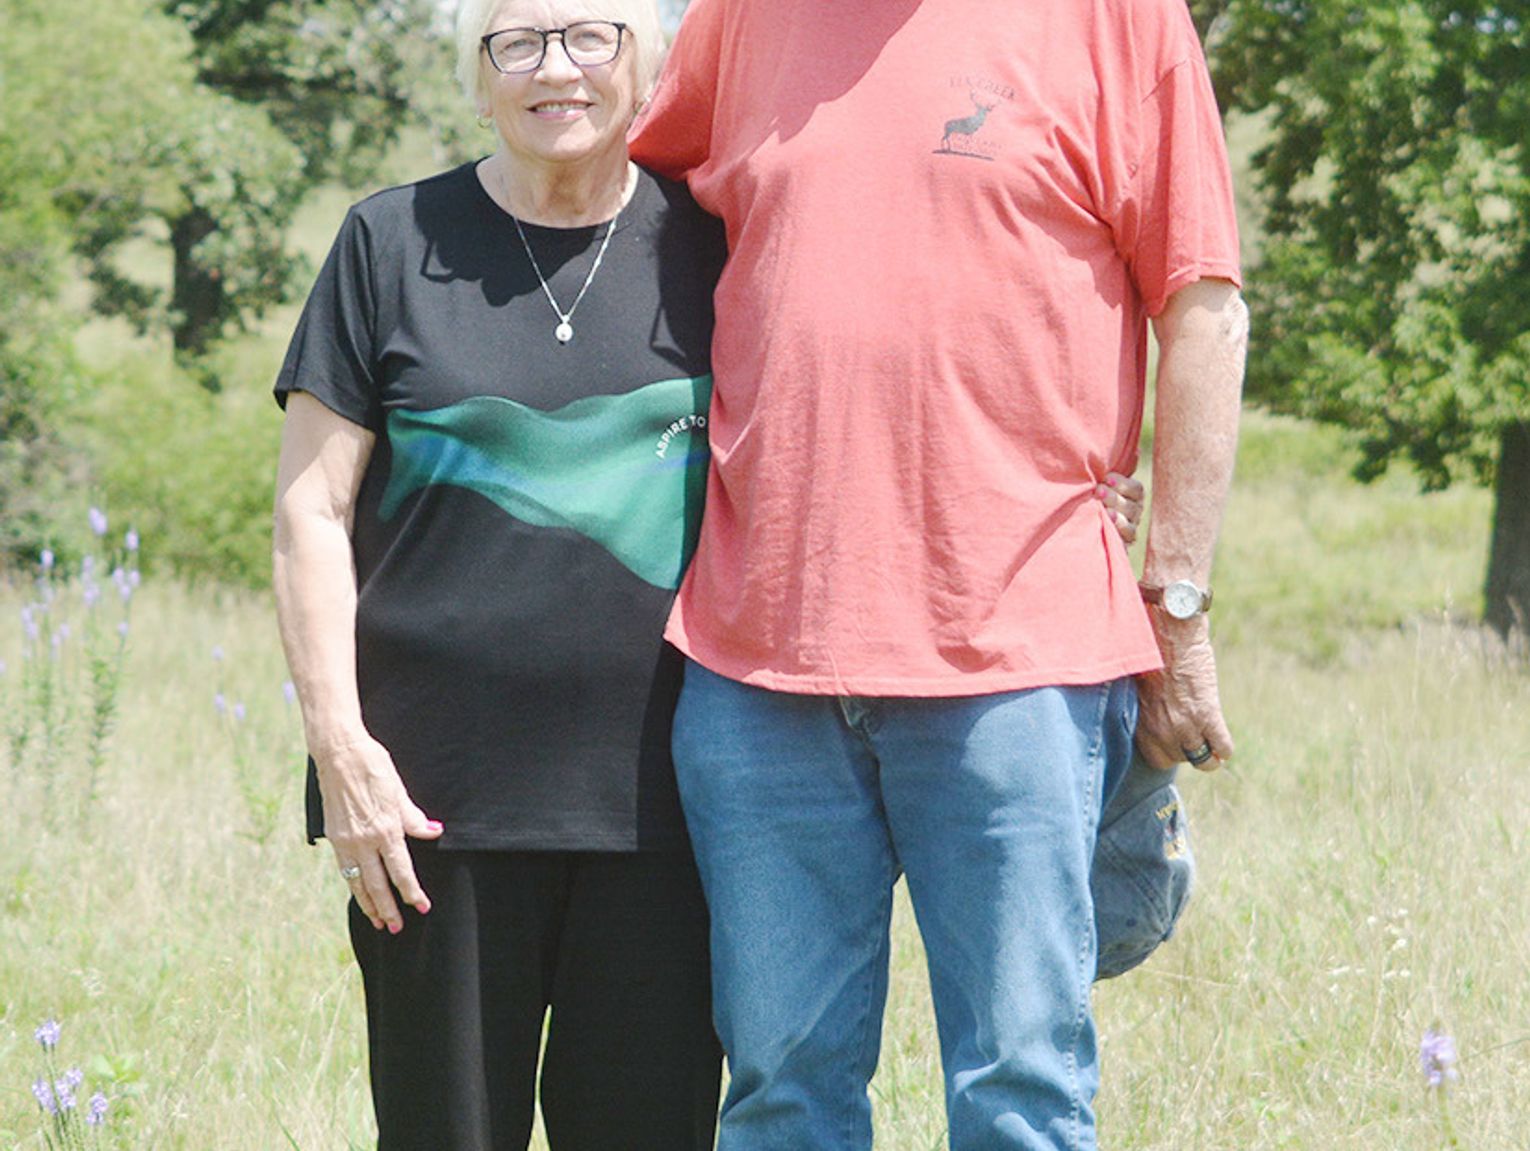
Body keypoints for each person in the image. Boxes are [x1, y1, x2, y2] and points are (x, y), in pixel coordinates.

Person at [629, 0, 1247, 1148]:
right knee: (780, 1092)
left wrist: (1178, 605)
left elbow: (1203, 307)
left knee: (1020, 1089)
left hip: (1019, 648)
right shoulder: (739, 18)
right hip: (761, 655)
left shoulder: (1119, 19)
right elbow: (625, 227)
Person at [270, 2, 729, 1146]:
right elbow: (310, 510)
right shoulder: (388, 242)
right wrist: (341, 751)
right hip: (431, 809)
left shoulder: (717, 246)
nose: (554, 68)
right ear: (478, 82)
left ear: (647, 67)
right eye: (515, 43)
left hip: (671, 807)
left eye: (591, 36)